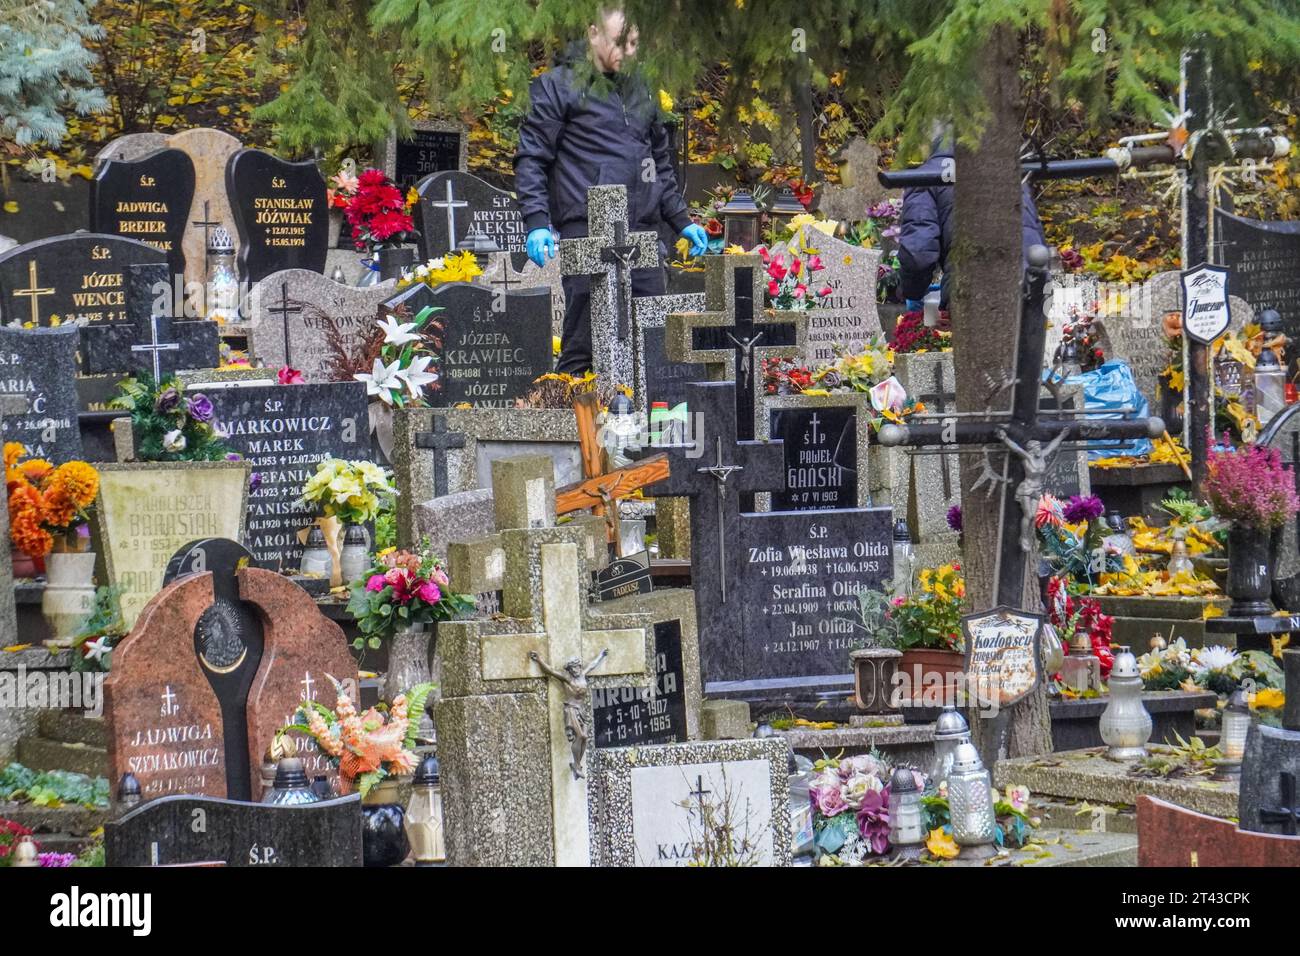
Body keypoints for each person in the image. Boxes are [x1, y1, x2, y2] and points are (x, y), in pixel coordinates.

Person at [514, 4, 709, 374]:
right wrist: (537, 221)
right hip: (589, 231)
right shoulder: (558, 86)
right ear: (592, 34)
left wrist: (681, 219)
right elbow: (532, 158)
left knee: (652, 345)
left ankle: (645, 429)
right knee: (585, 343)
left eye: (635, 43)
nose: (630, 52)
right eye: (621, 42)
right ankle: (573, 428)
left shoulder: (643, 89)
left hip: (642, 232)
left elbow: (659, 163)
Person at [897, 133, 1046, 313]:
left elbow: (918, 252)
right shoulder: (1006, 171)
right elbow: (1036, 235)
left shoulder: (926, 177)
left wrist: (912, 291)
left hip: (973, 290)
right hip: (1032, 286)